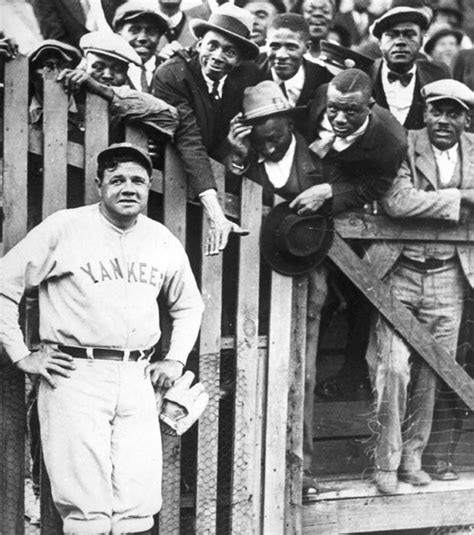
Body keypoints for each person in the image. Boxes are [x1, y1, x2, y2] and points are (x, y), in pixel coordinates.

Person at [0, 142, 204, 534]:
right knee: (86, 507)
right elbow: (5, 286)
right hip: (76, 374)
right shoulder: (66, 228)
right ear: (99, 185)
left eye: (138, 181)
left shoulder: (160, 238)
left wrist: (175, 359)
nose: (129, 188)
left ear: (148, 188)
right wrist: (21, 355)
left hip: (138, 376)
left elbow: (189, 305)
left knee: (138, 503)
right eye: (118, 179)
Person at [364, 79, 474, 494]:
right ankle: (386, 463)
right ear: (424, 113)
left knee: (432, 369)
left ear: (466, 118)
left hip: (450, 274)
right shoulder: (404, 143)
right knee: (392, 368)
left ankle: (413, 456)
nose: (443, 120)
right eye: (437, 111)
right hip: (401, 269)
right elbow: (398, 202)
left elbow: (416, 202)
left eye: (454, 113)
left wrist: (436, 200)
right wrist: (461, 199)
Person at [153, 3, 261, 255]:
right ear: (199, 42)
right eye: (212, 45)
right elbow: (189, 139)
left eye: (229, 51)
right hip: (172, 180)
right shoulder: (172, 74)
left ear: (240, 59)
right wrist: (217, 214)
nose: (217, 57)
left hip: (222, 179)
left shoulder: (248, 76)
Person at [370, 0, 451, 130]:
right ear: (379, 42)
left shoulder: (439, 75)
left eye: (409, 35)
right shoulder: (364, 74)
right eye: (391, 35)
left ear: (421, 40)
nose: (400, 42)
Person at [257, 13, 333, 135]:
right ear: (266, 45)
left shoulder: (323, 77)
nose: (281, 55)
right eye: (274, 46)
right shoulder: (252, 72)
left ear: (307, 47)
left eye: (291, 47)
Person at [112, 0, 169, 93]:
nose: (142, 38)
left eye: (151, 31)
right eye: (134, 30)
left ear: (159, 36)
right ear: (119, 34)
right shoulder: (108, 71)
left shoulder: (169, 70)